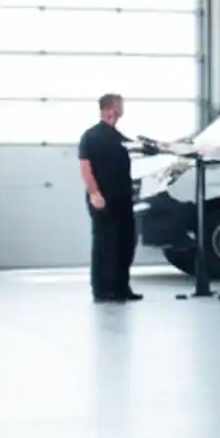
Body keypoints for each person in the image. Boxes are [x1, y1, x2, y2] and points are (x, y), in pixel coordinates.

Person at [77, 93, 142, 303]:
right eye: (120, 105)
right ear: (110, 109)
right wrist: (94, 193)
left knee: (125, 242)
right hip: (103, 199)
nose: (122, 108)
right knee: (105, 243)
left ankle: (121, 287)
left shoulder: (119, 138)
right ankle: (102, 289)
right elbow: (85, 167)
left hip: (123, 199)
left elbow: (141, 149)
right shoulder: (91, 136)